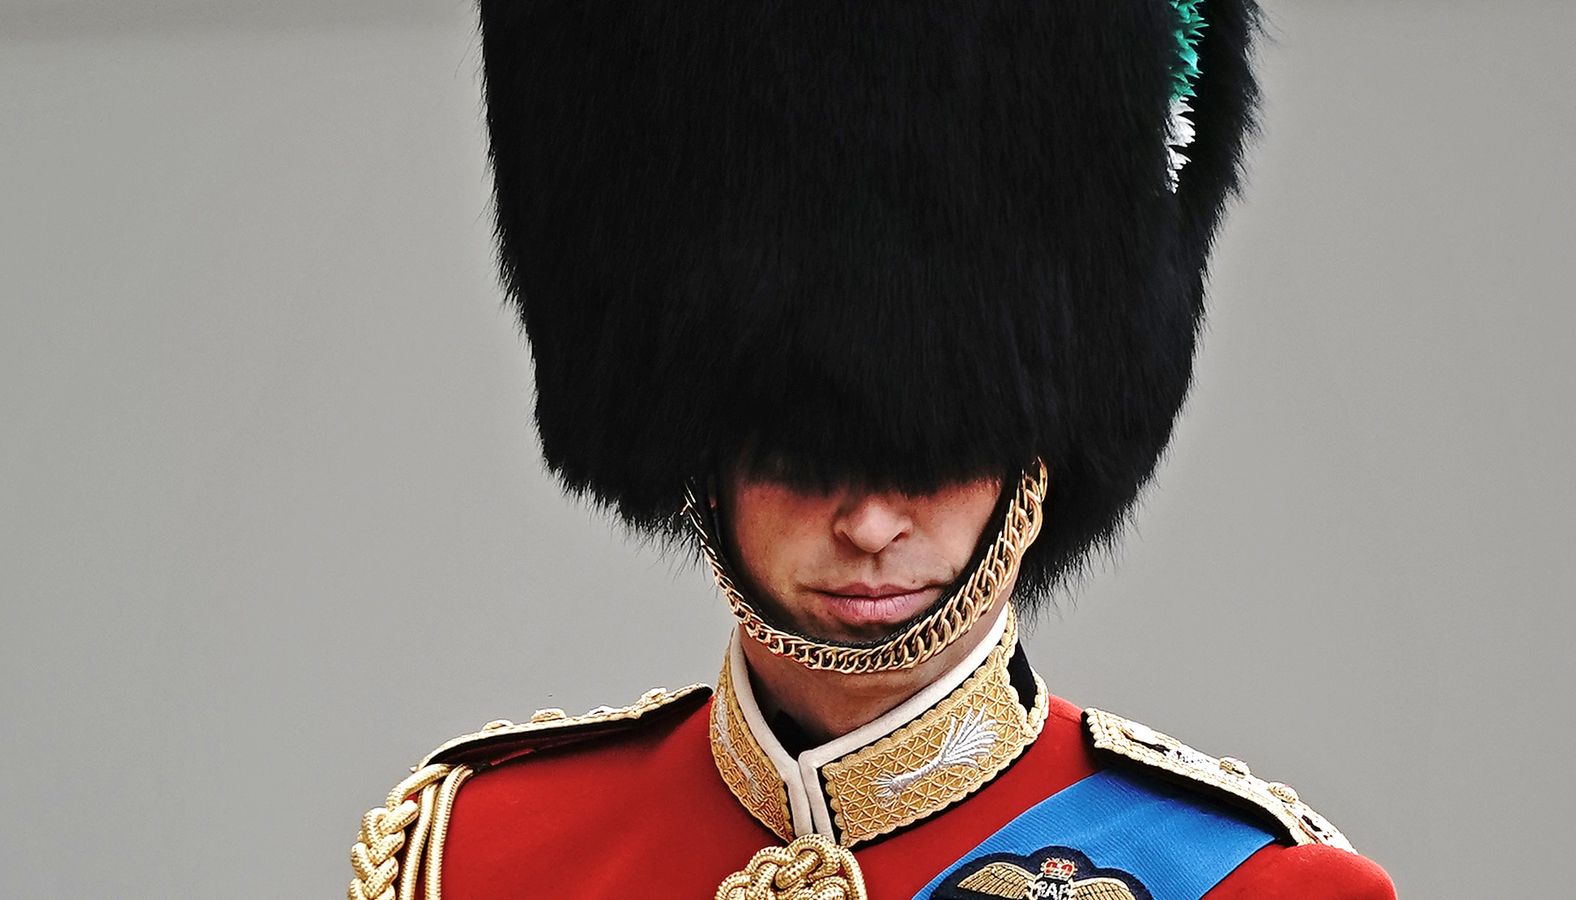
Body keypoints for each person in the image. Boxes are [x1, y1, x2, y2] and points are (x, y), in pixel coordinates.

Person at [347, 1, 1397, 897]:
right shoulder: (479, 856)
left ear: (1033, 448)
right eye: (802, 460)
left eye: (935, 455)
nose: (869, 524)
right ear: (698, 454)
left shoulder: (1241, 885)